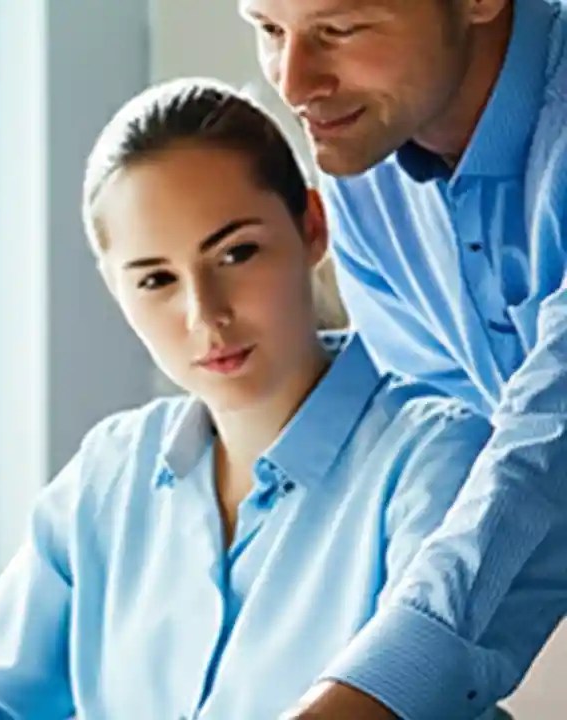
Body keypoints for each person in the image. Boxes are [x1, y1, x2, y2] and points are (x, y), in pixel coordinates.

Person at [0, 79, 497, 720]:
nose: (205, 315)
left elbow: (422, 693)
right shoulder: (114, 473)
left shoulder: (435, 456)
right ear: (116, 288)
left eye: (236, 254)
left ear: (312, 226)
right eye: (156, 280)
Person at [234, 1, 567, 717]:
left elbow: (551, 450)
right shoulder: (369, 161)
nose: (293, 84)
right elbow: (450, 450)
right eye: (267, 29)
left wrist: (369, 694)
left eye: (341, 30)